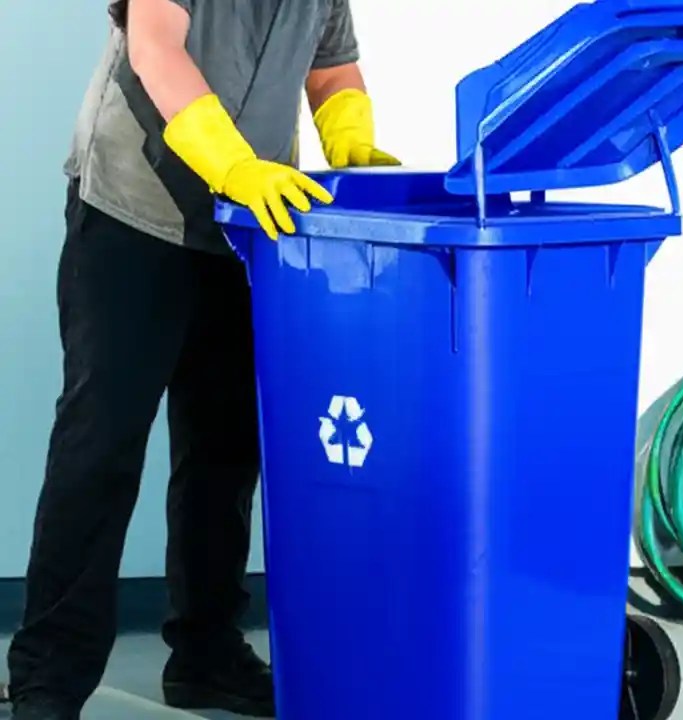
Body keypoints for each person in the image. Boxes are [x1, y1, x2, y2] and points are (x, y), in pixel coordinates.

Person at [4, 1, 399, 717]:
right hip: (134, 209)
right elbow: (156, 46)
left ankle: (206, 655)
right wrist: (235, 165)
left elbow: (332, 67)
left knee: (225, 451)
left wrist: (352, 144)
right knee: (100, 445)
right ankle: (48, 679)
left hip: (246, 227)